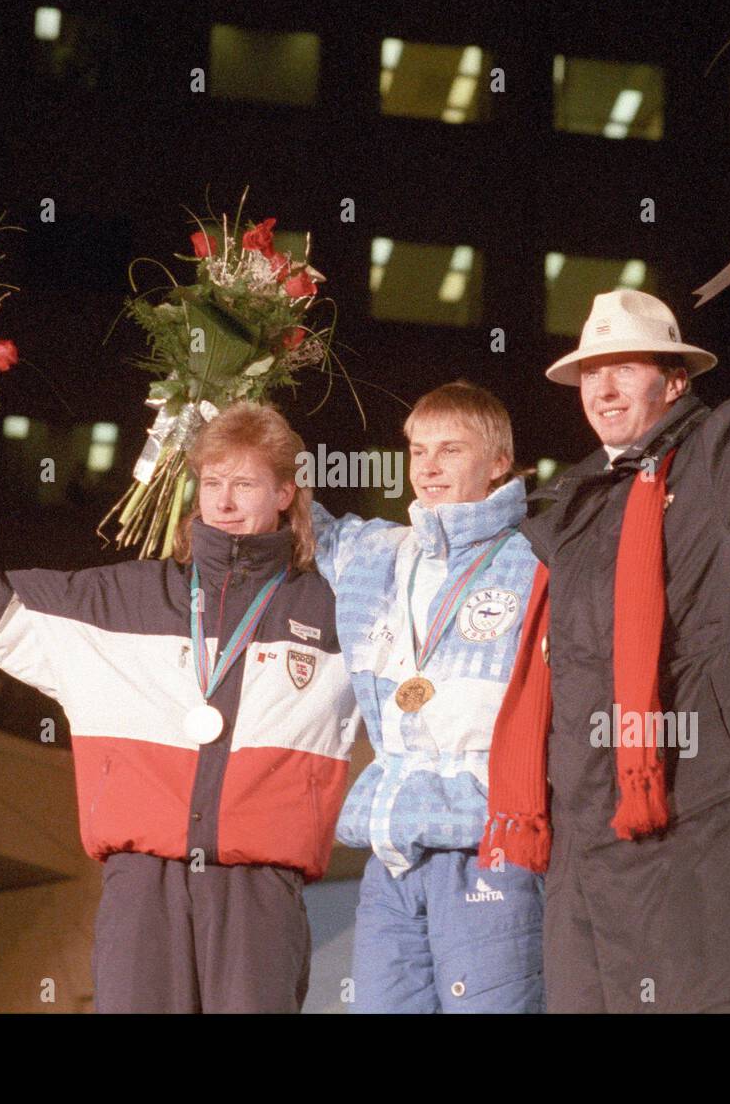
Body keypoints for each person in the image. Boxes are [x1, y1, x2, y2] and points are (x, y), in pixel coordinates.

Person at [484, 129, 730, 1012]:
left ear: (672, 379)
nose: (604, 387)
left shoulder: (725, 461)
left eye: (625, 368)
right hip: (587, 851)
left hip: (697, 824)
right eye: (590, 372)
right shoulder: (564, 509)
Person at [0, 401, 358, 1013]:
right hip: (142, 885)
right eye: (213, 483)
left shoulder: (340, 614)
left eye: (244, 484)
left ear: (285, 493)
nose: (222, 503)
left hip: (260, 892)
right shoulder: (122, 599)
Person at [314, 381, 544, 1013]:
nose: (430, 467)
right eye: (418, 451)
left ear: (499, 462)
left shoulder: (535, 561)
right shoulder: (379, 554)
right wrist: (219, 405)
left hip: (490, 847)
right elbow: (282, 506)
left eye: (450, 449)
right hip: (391, 855)